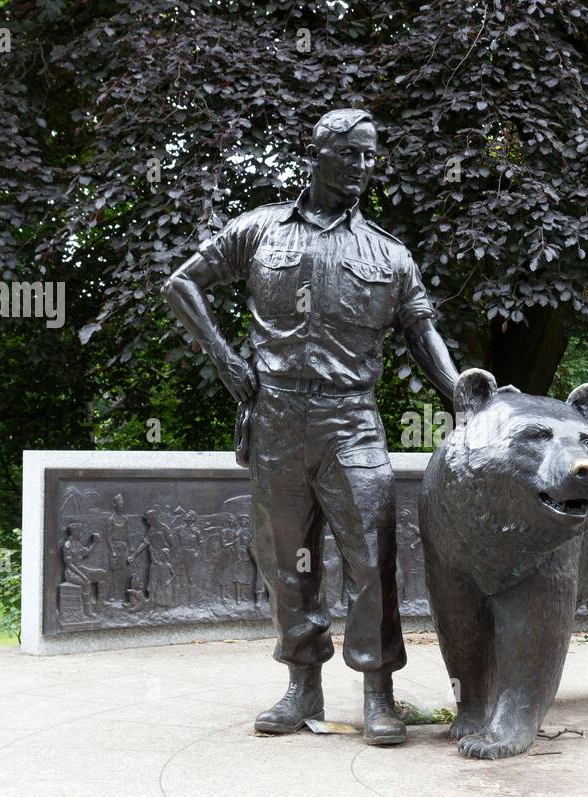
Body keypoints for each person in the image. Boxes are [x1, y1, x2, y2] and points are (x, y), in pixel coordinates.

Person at [162, 107, 460, 745]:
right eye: (350, 154)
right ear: (319, 153)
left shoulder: (387, 251)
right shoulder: (261, 231)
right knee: (284, 559)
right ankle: (302, 686)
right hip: (275, 418)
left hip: (352, 418)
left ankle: (379, 693)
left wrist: (457, 387)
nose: (361, 167)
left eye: (370, 156)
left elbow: (420, 329)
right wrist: (226, 359)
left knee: (372, 556)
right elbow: (182, 284)